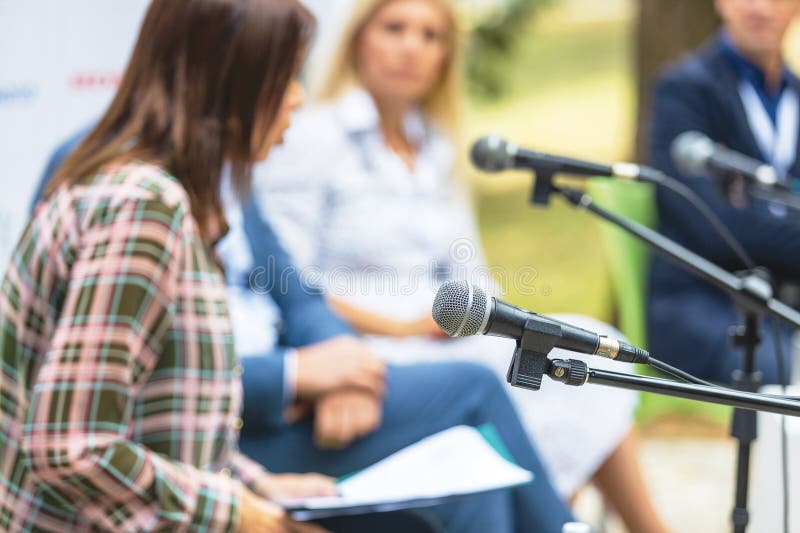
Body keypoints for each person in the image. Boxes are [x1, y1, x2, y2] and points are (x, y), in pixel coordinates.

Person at [250, 1, 669, 531]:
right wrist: (399, 326)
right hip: (362, 345)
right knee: (509, 381)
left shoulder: (436, 145)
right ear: (359, 40)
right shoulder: (314, 136)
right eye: (395, 29)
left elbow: (469, 272)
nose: (411, 47)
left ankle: (582, 515)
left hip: (445, 330)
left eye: (431, 35)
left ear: (447, 55)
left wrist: (507, 323)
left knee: (581, 350)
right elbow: (287, 278)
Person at [0, 0, 333, 531]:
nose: (298, 98)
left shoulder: (151, 191)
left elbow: (155, 421)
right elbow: (72, 447)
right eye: (285, 75)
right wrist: (234, 513)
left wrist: (251, 485)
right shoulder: (143, 206)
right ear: (229, 82)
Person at [648, 0, 800, 383]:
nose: (760, 8)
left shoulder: (796, 95)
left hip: (785, 305)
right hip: (706, 307)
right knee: (787, 370)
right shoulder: (682, 90)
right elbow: (708, 220)